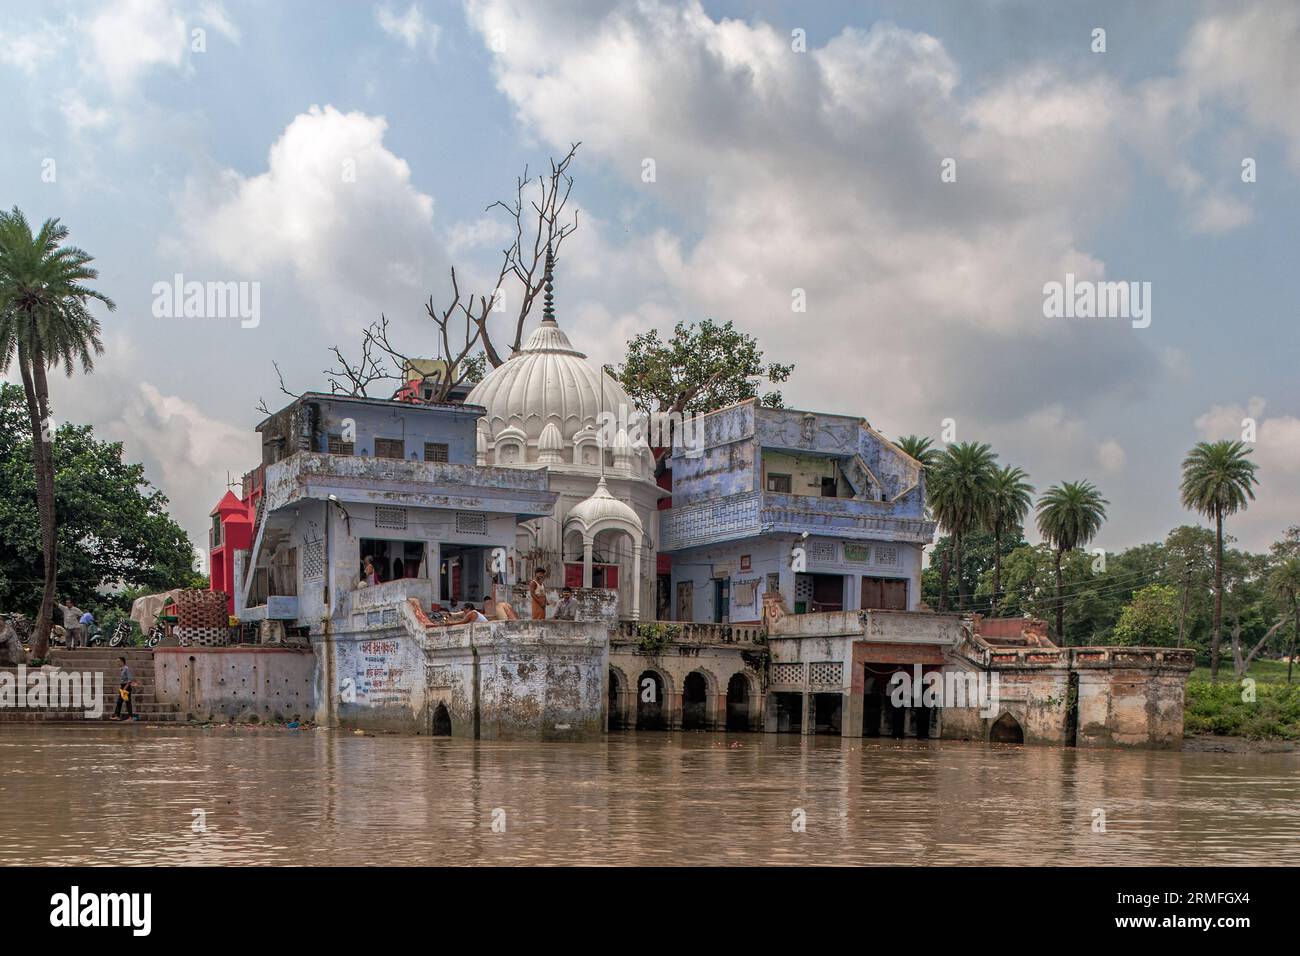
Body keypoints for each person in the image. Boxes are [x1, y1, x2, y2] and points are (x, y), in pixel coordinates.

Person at [110, 656, 138, 721]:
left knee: (127, 702)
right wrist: (121, 687)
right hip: (123, 686)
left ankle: (130, 717)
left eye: (118, 661)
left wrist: (124, 688)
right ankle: (117, 716)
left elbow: (130, 679)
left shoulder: (126, 669)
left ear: (122, 662)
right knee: (119, 702)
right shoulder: (122, 669)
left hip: (126, 687)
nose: (117, 663)